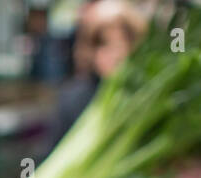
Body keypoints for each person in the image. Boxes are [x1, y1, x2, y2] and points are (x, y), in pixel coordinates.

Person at [48, 1, 147, 150]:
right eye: (102, 44)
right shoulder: (73, 99)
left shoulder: (143, 100)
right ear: (89, 50)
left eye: (119, 44)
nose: (114, 54)